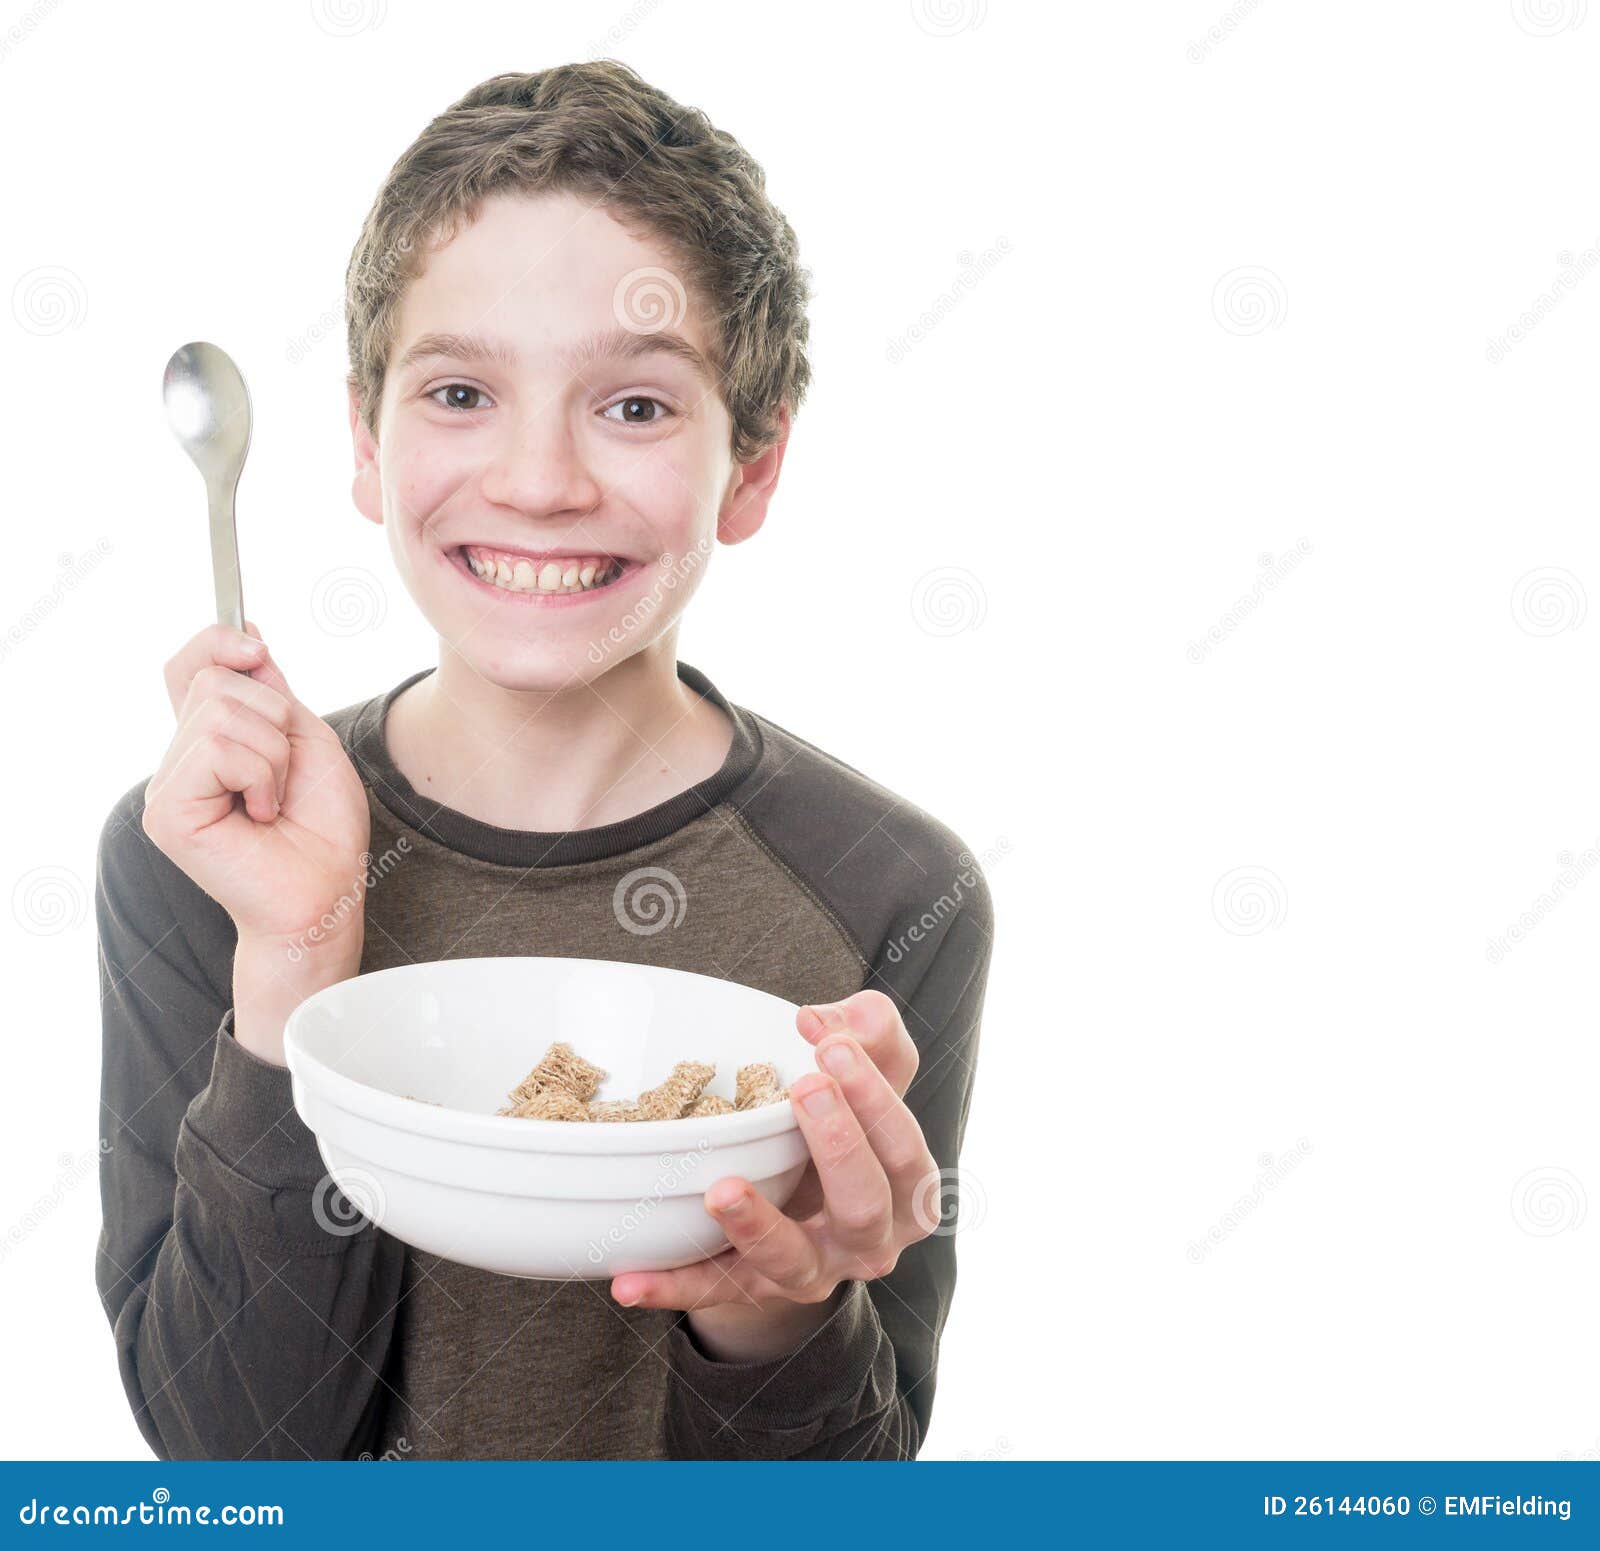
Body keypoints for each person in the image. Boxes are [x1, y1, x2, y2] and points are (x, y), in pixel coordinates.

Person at [95, 61, 994, 1460]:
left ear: (750, 465)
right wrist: (293, 955)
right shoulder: (201, 855)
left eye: (634, 407)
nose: (538, 481)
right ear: (363, 443)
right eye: (459, 391)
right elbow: (232, 1463)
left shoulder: (890, 893)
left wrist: (776, 1312)